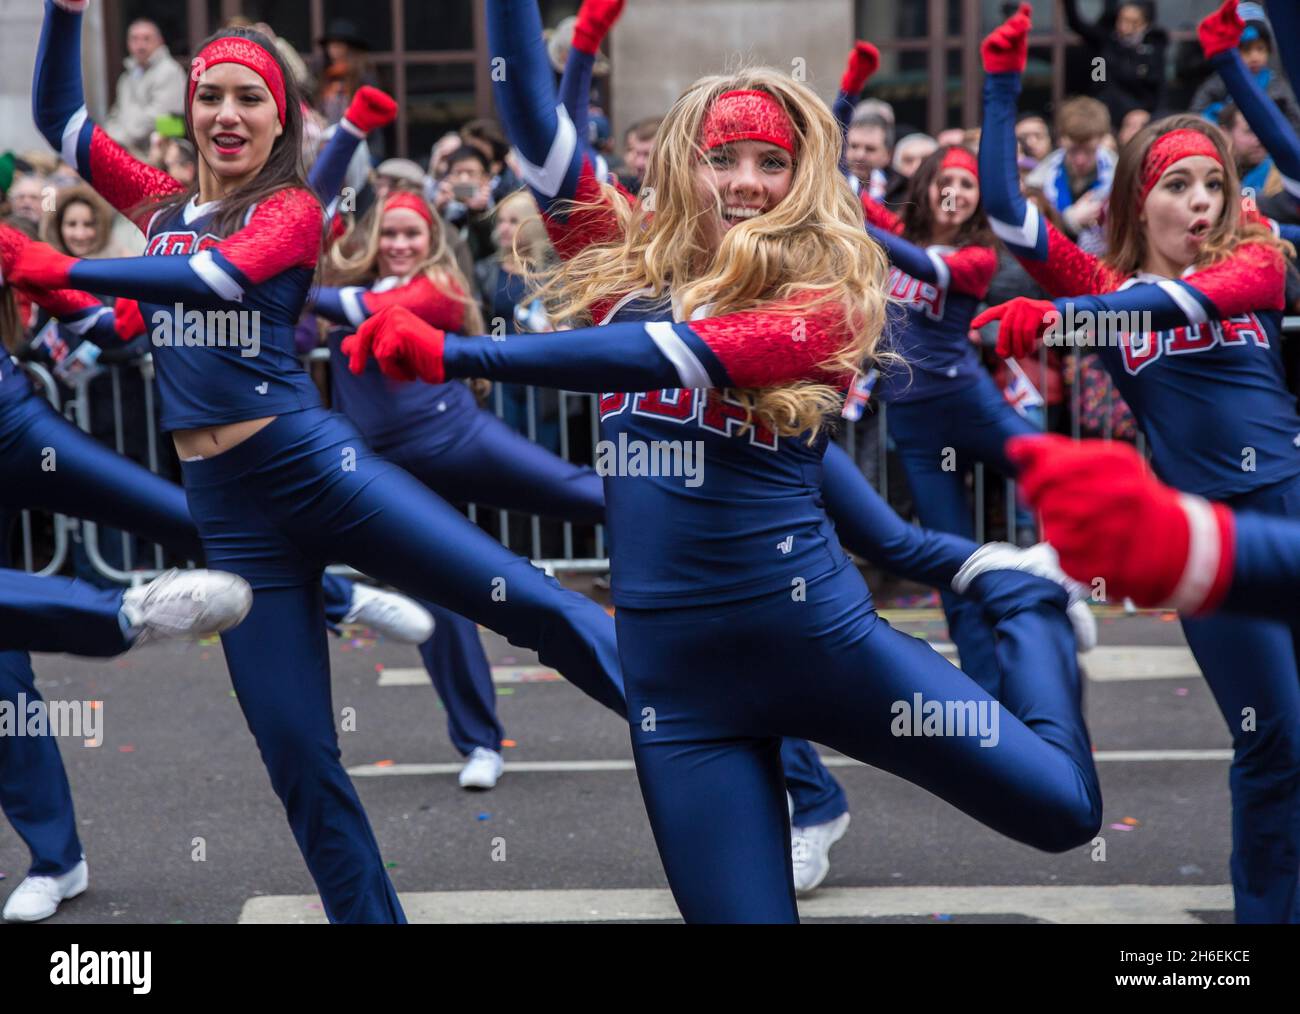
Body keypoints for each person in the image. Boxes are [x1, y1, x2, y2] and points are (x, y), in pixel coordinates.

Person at [344, 0, 1103, 924]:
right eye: (723, 157)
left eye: (772, 161)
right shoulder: (622, 273)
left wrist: (461, 355)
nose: (747, 181)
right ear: (680, 166)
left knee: (1064, 812)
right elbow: (538, 133)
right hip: (679, 687)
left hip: (821, 646)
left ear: (801, 178)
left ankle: (1029, 607)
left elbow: (666, 354)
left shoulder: (828, 298)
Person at [24, 1, 625, 924]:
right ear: (190, 111)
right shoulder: (159, 205)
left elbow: (212, 279)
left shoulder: (293, 209)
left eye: (248, 98)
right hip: (228, 511)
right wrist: (66, 14)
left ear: (280, 119)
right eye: (210, 97)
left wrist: (56, 269)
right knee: (298, 756)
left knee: (530, 602)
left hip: (315, 469)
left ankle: (715, 737)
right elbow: (60, 117)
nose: (227, 114)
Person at [979, 1, 1300, 923]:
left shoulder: (1260, 260)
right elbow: (1009, 216)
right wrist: (1003, 87)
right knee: (1273, 740)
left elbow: (1174, 309)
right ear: (1137, 200)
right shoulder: (1112, 286)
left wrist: (1060, 322)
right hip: (1211, 544)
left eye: (1215, 183)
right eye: (1179, 185)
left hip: (1291, 505)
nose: (1202, 202)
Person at [1024, 96, 1115, 249]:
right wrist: (1069, 221)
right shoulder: (1037, 180)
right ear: (1061, 140)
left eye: (1088, 151)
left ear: (1102, 140)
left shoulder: (1120, 177)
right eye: (1073, 151)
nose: (1080, 160)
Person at [1192, 3, 1300, 132]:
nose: (1255, 57)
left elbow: (1295, 121)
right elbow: (1196, 114)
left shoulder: (1277, 85)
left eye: (1260, 49)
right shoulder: (1221, 81)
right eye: (1246, 50)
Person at [1062, 0, 1167, 126]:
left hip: (1137, 117)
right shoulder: (1107, 42)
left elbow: (1158, 88)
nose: (1125, 27)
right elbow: (1077, 24)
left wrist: (1151, 116)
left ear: (1145, 24)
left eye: (1133, 22)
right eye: (1122, 20)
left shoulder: (1154, 49)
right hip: (1106, 113)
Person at [102, 19, 187, 156]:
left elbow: (161, 117)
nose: (140, 45)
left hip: (156, 156)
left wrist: (120, 138)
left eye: (146, 39)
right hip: (123, 150)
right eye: (134, 39)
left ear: (160, 41)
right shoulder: (126, 77)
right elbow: (115, 114)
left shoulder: (170, 71)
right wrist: (109, 139)